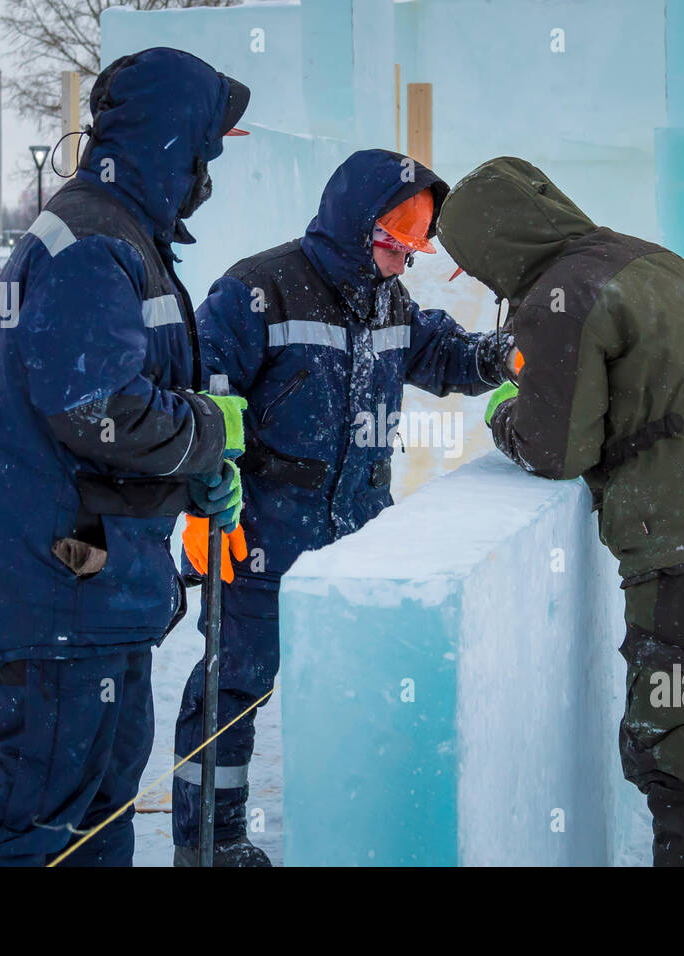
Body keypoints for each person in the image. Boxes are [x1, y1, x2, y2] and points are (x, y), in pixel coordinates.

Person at [0, 48, 250, 867]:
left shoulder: (124, 236)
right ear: (173, 141)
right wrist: (206, 429)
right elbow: (94, 407)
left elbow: (128, 393)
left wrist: (200, 464)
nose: (210, 168)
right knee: (30, 822)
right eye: (207, 147)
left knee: (97, 812)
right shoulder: (90, 244)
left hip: (96, 591)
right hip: (60, 586)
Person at [436, 157, 684, 867]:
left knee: (674, 745)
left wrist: (505, 414)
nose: (478, 281)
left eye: (469, 264)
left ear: (489, 245)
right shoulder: (643, 258)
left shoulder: (561, 295)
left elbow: (556, 448)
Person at [173, 148, 516, 866]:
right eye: (397, 244)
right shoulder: (257, 290)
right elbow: (204, 397)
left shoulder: (389, 298)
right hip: (260, 531)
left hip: (359, 531)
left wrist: (498, 358)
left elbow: (439, 353)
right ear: (356, 226)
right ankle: (213, 842)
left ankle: (354, 824)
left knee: (352, 682)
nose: (405, 262)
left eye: (415, 248)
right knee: (231, 687)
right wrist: (204, 507)